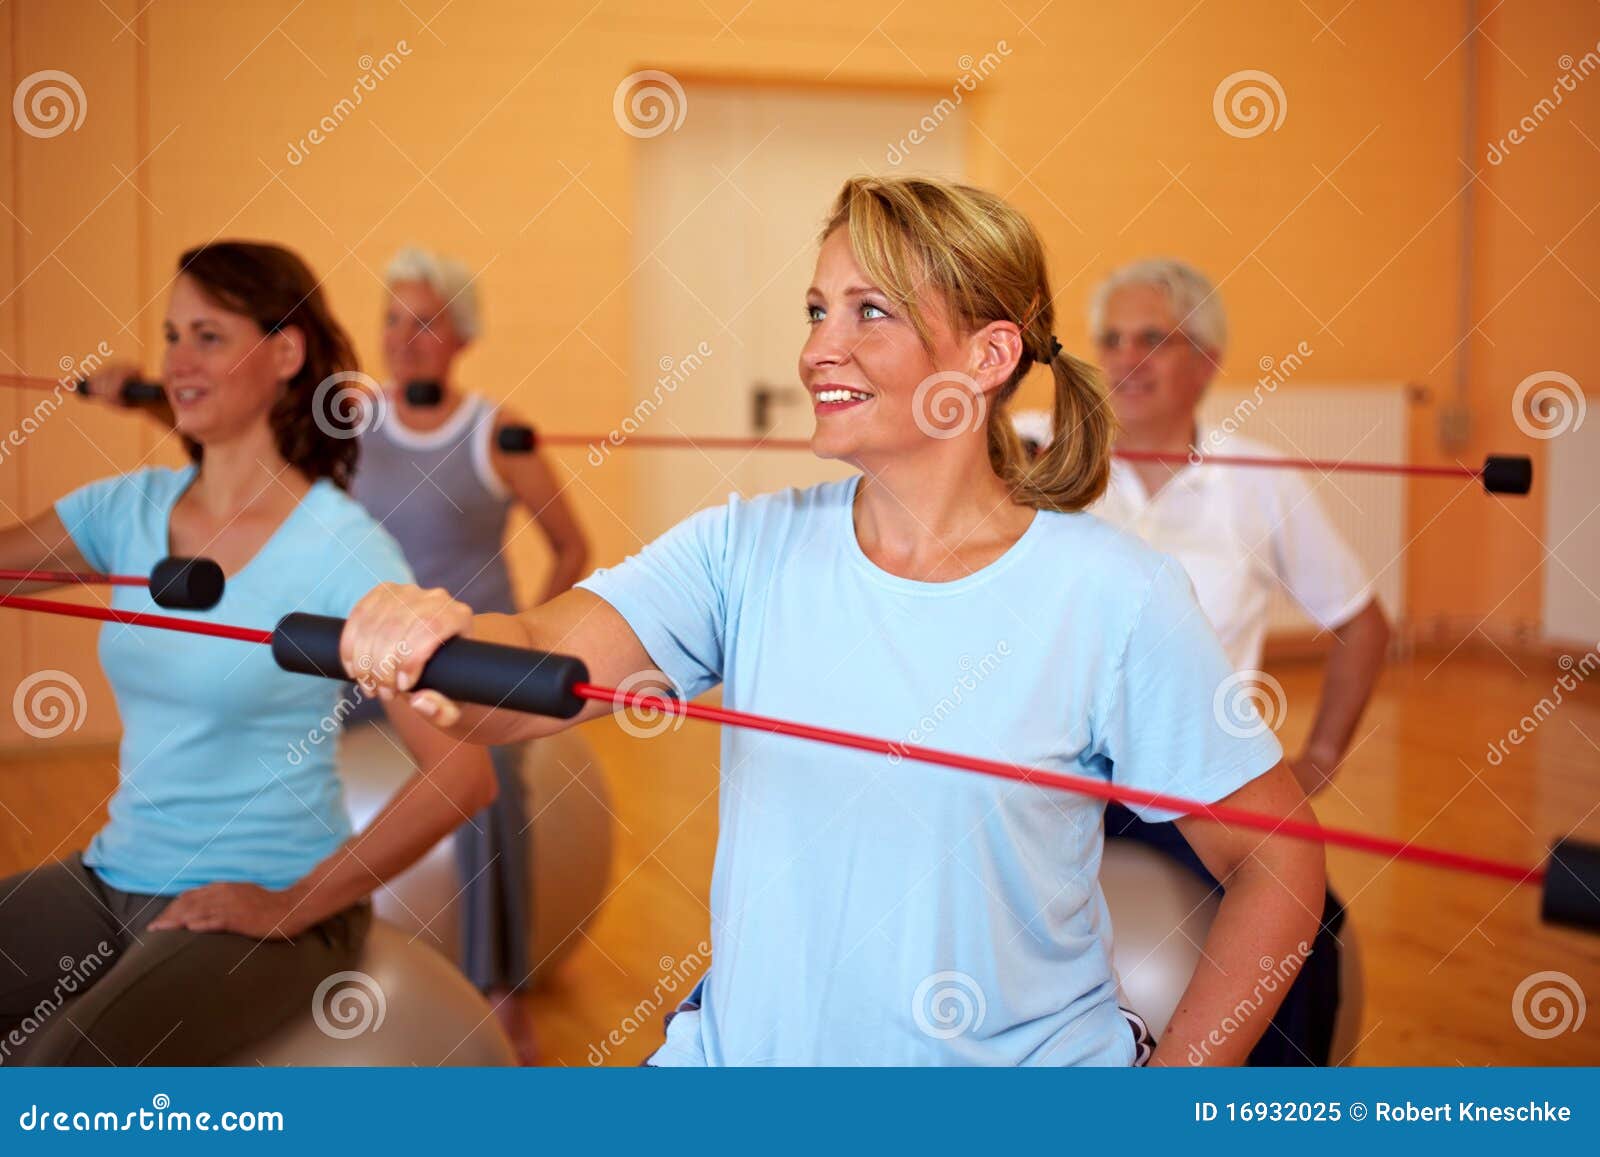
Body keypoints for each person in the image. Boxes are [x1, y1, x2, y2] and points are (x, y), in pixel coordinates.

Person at [338, 176, 1325, 1066]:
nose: (817, 349)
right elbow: (538, 664)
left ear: (987, 356)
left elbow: (1278, 864)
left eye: (869, 312)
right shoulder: (743, 549)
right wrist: (439, 637)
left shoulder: (1111, 592)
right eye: (816, 309)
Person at [0, 242, 497, 1065]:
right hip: (111, 876)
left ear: (285, 353)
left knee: (50, 1075)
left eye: (208, 336)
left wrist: (292, 904)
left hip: (269, 897)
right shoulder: (127, 508)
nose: (176, 361)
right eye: (170, 335)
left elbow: (463, 771)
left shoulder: (342, 547)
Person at [1017, 257, 1390, 1065]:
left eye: (1153, 337)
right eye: (1111, 339)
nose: (1125, 358)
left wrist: (1318, 757)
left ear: (1208, 360)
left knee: (1307, 930)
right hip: (1050, 767)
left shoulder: (1259, 480)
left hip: (1193, 773)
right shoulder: (1034, 462)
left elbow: (1363, 624)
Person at [343, 246, 590, 1063]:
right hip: (368, 661)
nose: (404, 337)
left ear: (461, 337)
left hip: (460, 667)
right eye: (392, 319)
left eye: (425, 322)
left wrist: (526, 641)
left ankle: (501, 993)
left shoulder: (496, 432)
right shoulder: (353, 422)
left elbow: (570, 545)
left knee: (493, 787)